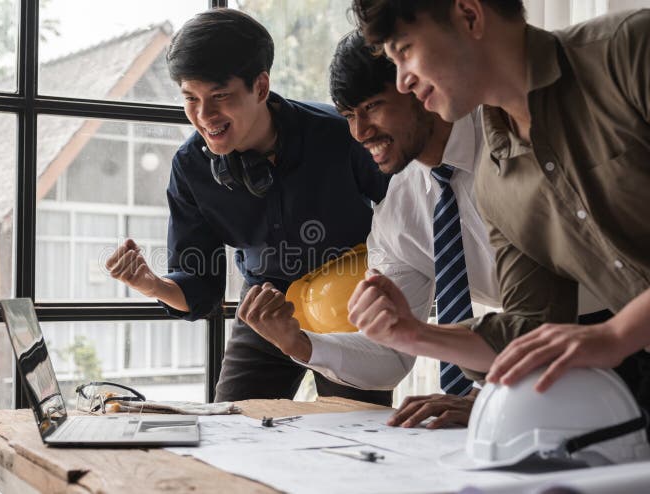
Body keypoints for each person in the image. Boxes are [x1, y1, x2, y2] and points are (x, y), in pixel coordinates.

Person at [239, 30, 607, 428]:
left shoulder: (512, 135)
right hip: (539, 352)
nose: (360, 133)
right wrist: (301, 343)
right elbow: (390, 356)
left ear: (418, 87)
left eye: (373, 106)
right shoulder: (400, 211)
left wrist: (488, 395)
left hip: (620, 316)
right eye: (348, 116)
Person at [348, 0, 650, 415]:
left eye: (405, 51)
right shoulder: (493, 181)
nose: (401, 82)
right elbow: (533, 328)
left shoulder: (630, 53)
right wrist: (414, 333)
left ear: (469, 15)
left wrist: (618, 334)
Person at [105, 9, 392, 404]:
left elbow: (409, 207)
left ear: (260, 86)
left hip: (349, 307)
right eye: (191, 99)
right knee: (230, 429)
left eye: (220, 97)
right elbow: (199, 287)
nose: (205, 117)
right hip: (262, 308)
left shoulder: (340, 134)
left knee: (363, 434)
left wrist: (391, 288)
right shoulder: (192, 167)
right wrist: (151, 284)